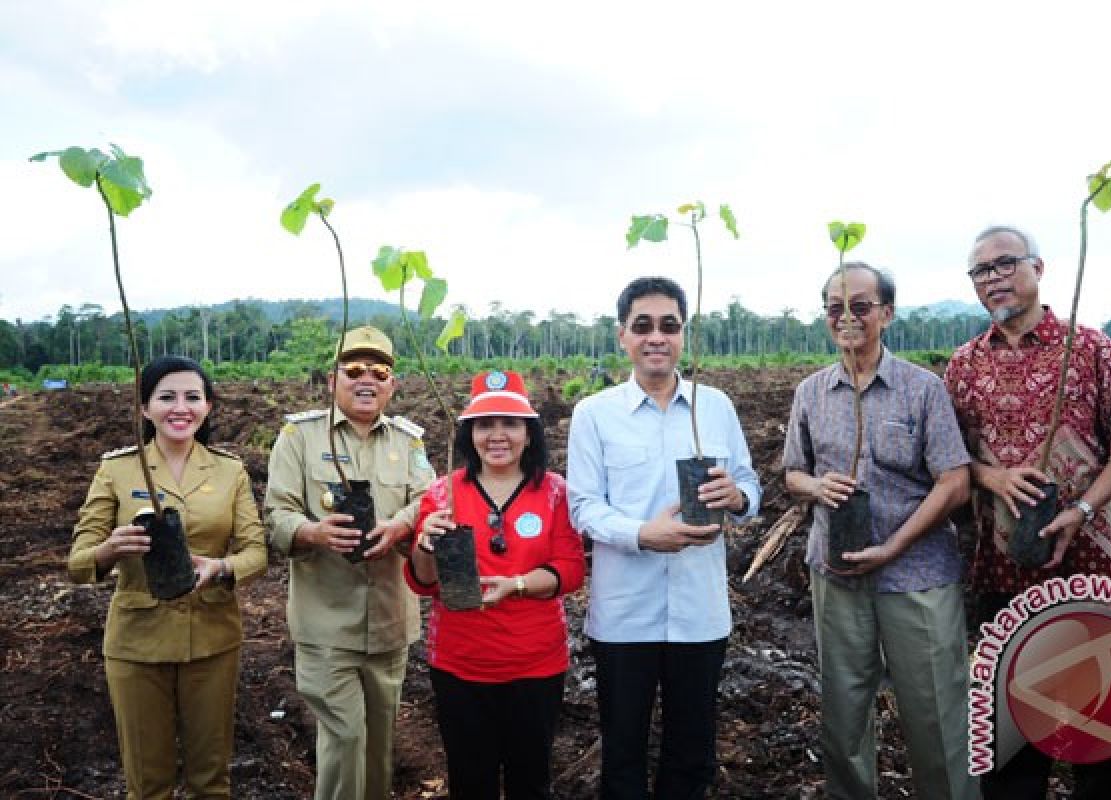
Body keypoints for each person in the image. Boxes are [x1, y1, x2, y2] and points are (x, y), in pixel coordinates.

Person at [944, 226, 1111, 799]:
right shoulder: (963, 366)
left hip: (1095, 574)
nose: (992, 279)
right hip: (1006, 574)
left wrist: (1085, 508)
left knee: (1103, 736)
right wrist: (993, 476)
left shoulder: (1093, 350)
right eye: (980, 272)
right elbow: (947, 462)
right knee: (1015, 740)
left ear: (1038, 269)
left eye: (1004, 264)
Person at [782, 262, 976, 800]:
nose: (846, 318)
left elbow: (955, 482)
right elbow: (792, 470)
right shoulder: (811, 392)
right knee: (843, 708)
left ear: (886, 314)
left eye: (860, 306)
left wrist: (895, 544)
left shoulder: (923, 389)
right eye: (834, 307)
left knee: (935, 708)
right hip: (837, 572)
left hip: (917, 574)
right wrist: (816, 487)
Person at [567, 276, 762, 799]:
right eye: (643, 325)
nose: (657, 337)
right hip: (625, 615)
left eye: (669, 326)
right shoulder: (594, 415)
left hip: (700, 614)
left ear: (683, 335)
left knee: (692, 754)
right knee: (624, 752)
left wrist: (737, 498)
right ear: (622, 336)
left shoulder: (714, 406)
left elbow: (748, 483)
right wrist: (641, 535)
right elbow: (583, 507)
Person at [68, 355, 267, 798]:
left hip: (213, 639)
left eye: (193, 397)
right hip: (137, 642)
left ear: (208, 407)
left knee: (210, 779)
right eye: (167, 397)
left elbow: (256, 551)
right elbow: (78, 561)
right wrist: (109, 550)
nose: (181, 408)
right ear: (145, 408)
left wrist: (220, 568)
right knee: (148, 782)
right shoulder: (117, 469)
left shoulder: (229, 470)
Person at [264, 325, 434, 800]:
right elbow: (276, 514)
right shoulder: (299, 437)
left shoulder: (409, 443)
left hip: (389, 621)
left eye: (378, 371)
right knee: (346, 737)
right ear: (332, 378)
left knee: (379, 745)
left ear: (392, 384)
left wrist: (400, 525)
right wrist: (314, 532)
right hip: (326, 624)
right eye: (353, 369)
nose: (366, 379)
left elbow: (429, 500)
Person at [407, 369, 585, 799]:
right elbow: (423, 582)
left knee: (530, 780)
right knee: (470, 780)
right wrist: (426, 543)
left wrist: (517, 584)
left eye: (510, 422)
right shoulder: (442, 495)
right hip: (460, 663)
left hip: (535, 664)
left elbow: (570, 570)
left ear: (529, 432)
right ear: (470, 434)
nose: (497, 435)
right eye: (485, 424)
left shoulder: (555, 492)